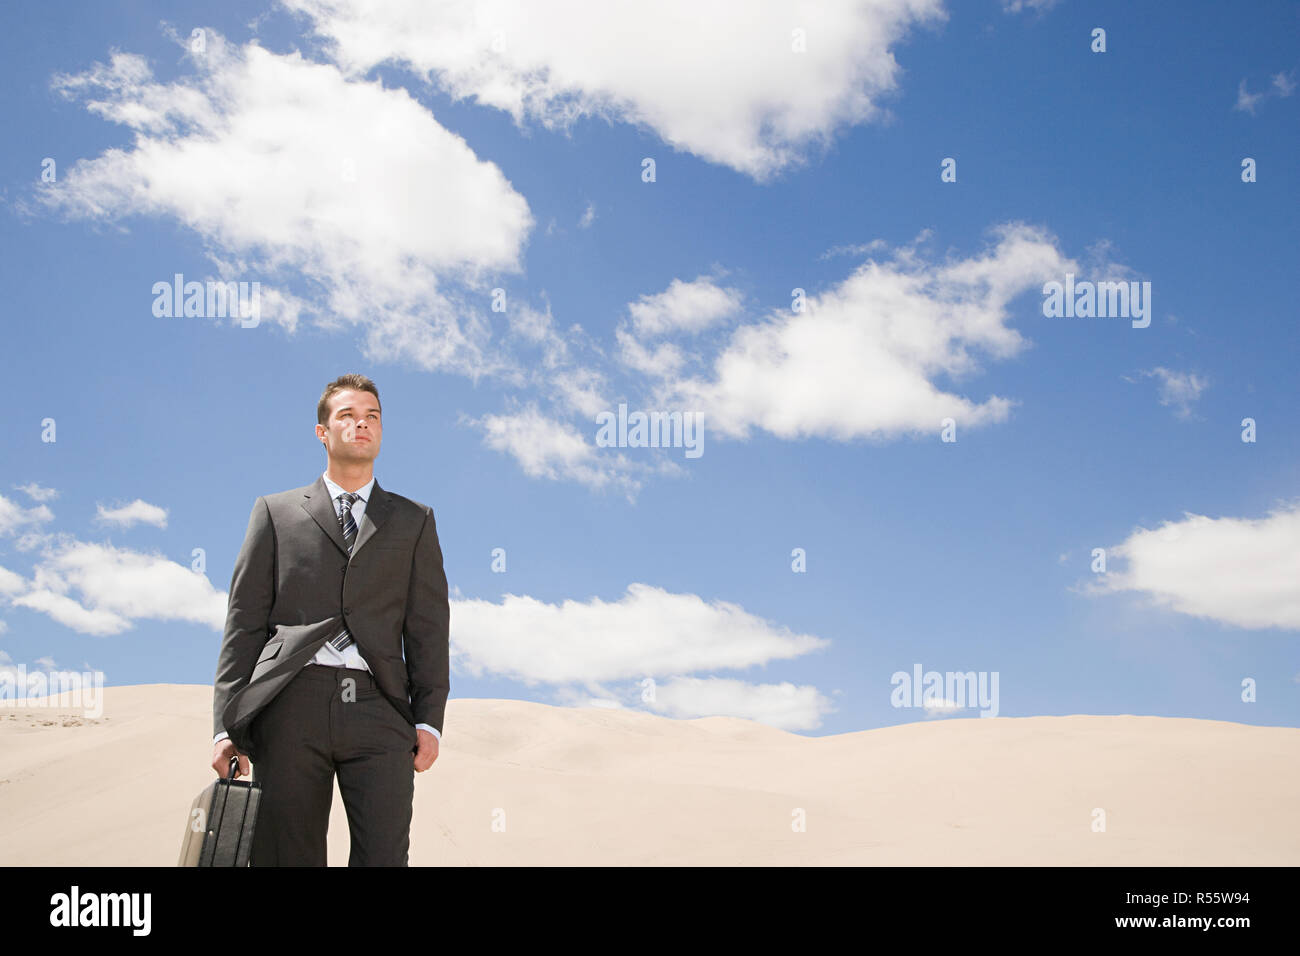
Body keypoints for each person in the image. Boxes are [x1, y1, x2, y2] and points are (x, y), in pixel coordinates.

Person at [210, 373, 450, 866]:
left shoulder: (414, 520)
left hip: (380, 706)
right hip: (291, 702)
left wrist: (429, 719)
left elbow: (427, 628)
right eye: (347, 415)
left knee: (384, 855)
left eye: (372, 417)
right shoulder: (274, 513)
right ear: (322, 432)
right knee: (285, 856)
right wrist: (225, 726)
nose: (361, 425)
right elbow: (244, 624)